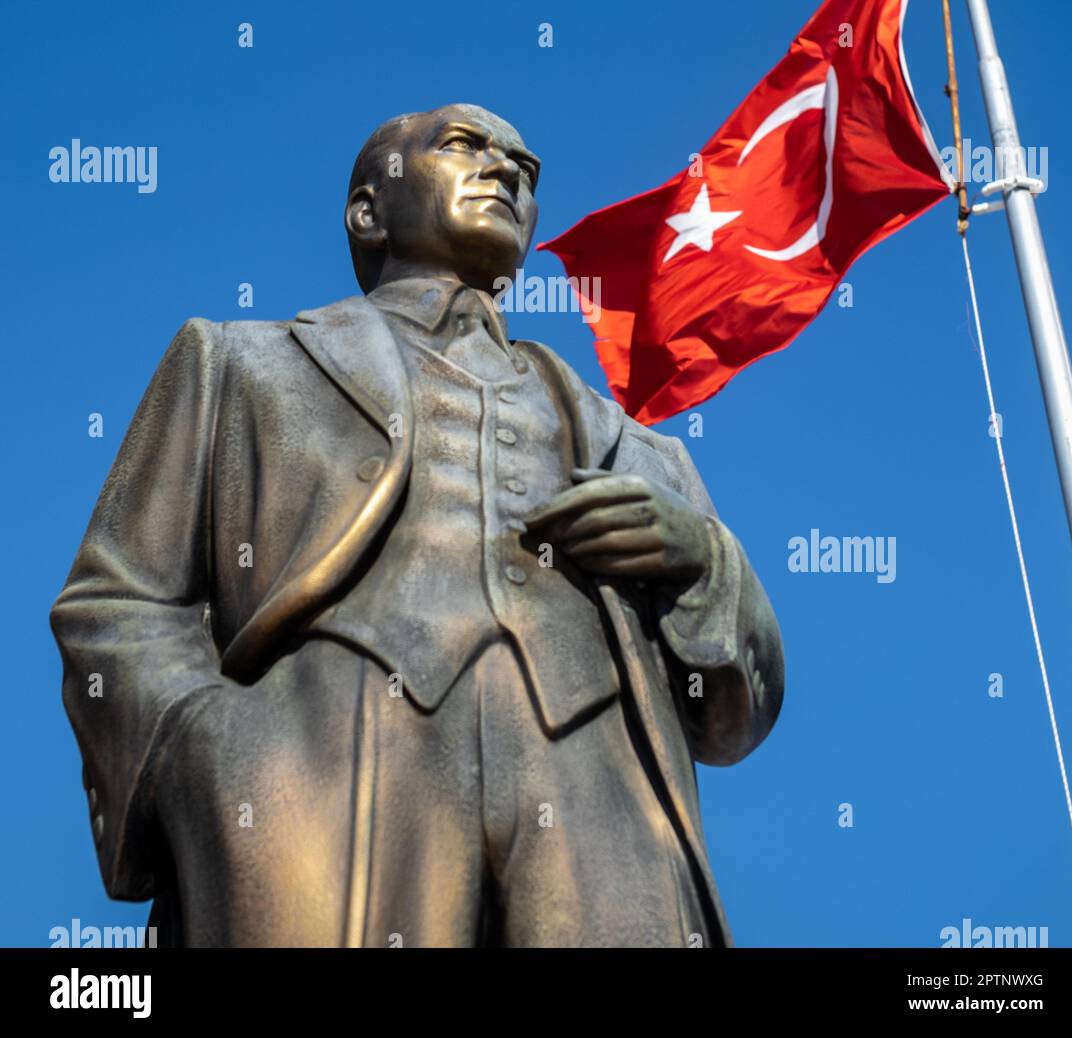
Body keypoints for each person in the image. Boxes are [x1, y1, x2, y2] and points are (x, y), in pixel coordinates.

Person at [51, 103, 784, 947]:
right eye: (466, 146)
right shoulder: (239, 362)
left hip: (601, 794)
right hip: (327, 771)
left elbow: (733, 722)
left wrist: (704, 564)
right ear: (369, 208)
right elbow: (117, 601)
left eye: (526, 167)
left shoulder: (639, 450)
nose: (505, 170)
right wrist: (206, 751)